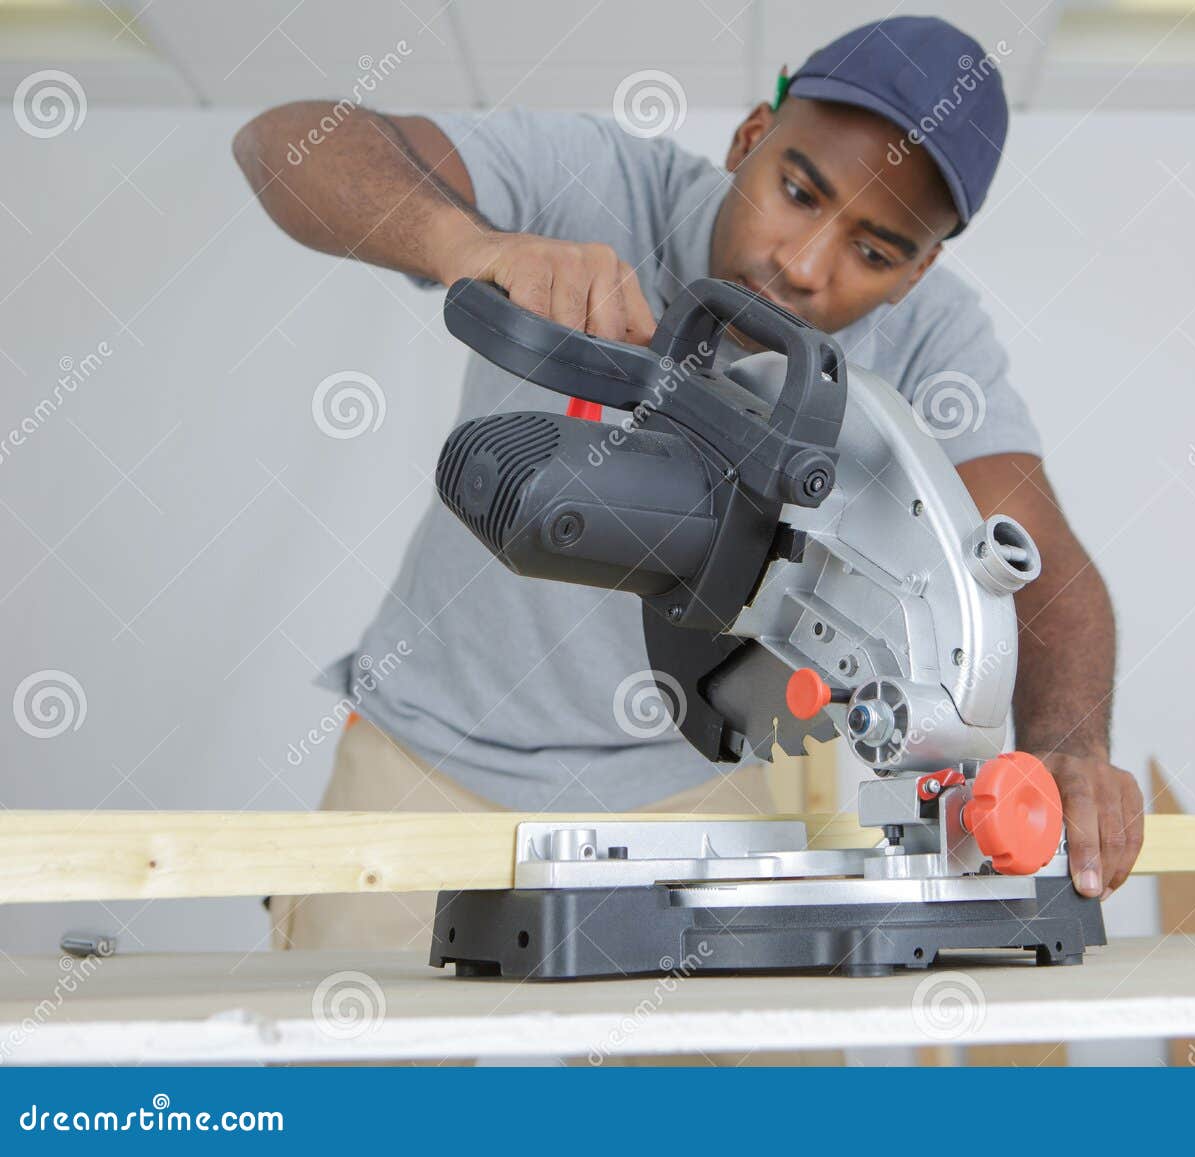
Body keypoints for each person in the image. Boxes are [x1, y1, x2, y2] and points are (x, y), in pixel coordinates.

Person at [233, 15, 1143, 955]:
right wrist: (469, 246)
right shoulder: (591, 179)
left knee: (749, 1096)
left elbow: (1038, 564)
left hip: (697, 782)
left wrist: (1071, 745)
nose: (803, 265)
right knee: (357, 1085)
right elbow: (285, 142)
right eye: (797, 191)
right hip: (427, 753)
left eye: (874, 252)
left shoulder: (933, 339)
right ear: (751, 137)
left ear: (920, 271)